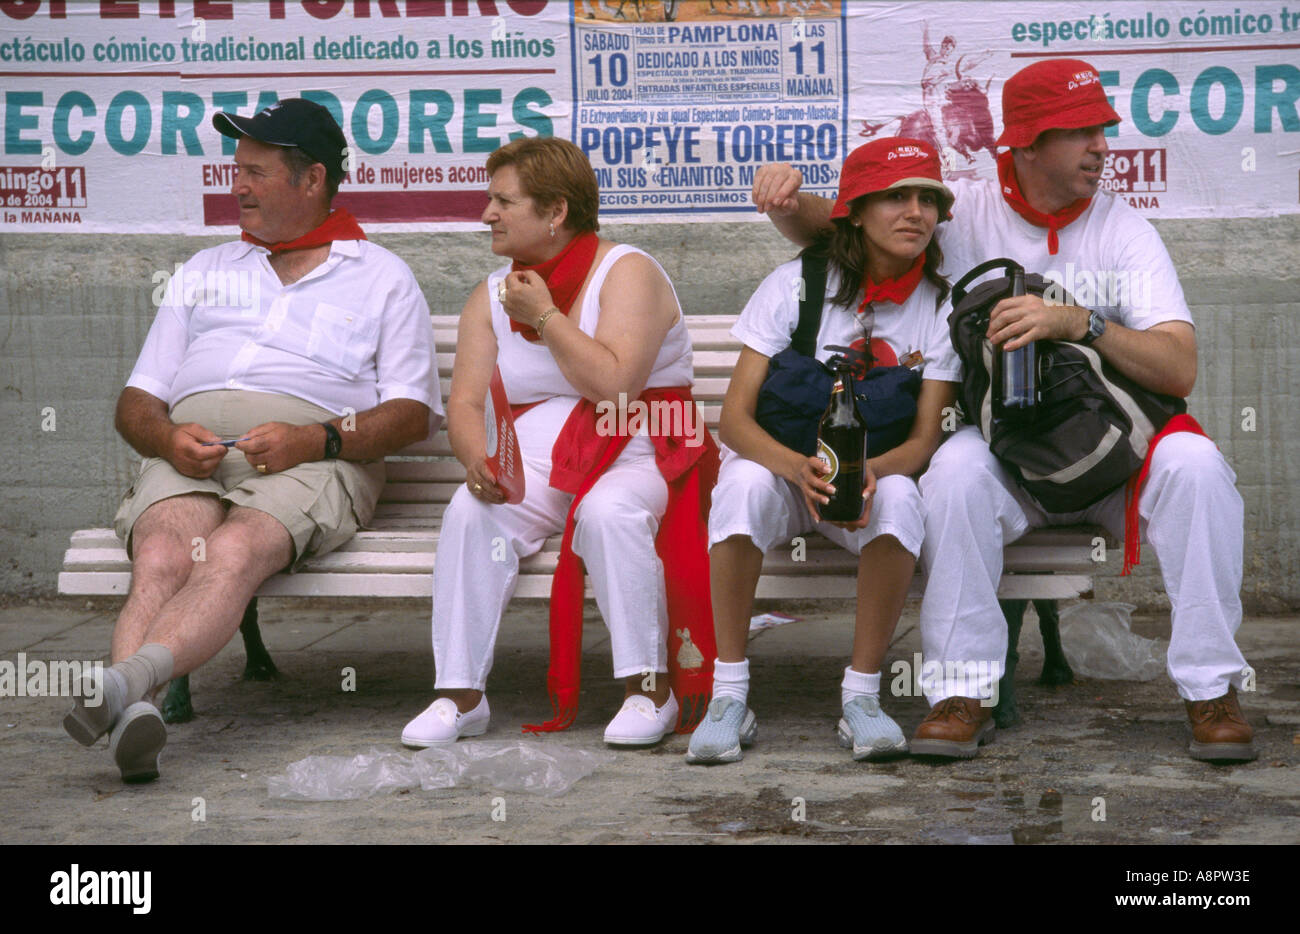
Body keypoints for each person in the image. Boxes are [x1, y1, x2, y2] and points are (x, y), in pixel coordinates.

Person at [751, 58, 1255, 762]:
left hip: (1113, 457)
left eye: (1101, 130)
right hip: (1010, 452)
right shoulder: (965, 214)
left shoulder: (1124, 230)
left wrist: (1081, 323)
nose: (1101, 148)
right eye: (1078, 132)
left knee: (1197, 465)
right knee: (954, 470)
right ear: (1023, 144)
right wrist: (788, 205)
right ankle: (962, 693)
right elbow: (851, 234)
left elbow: (1180, 368)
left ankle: (1211, 691)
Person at [63, 99, 442, 782]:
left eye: (257, 173)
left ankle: (123, 685)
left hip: (317, 458)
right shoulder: (206, 268)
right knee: (161, 550)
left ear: (313, 180)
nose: (236, 186)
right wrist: (168, 437)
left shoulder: (381, 276)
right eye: (236, 170)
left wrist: (315, 438)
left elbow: (413, 415)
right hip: (196, 450)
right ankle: (134, 717)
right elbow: (135, 402)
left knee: (234, 549)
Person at [401, 137, 717, 749]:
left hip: (645, 441)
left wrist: (546, 317)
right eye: (489, 200)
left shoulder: (627, 271)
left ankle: (651, 691)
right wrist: (476, 460)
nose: (486, 215)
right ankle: (461, 695)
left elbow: (615, 385)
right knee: (472, 510)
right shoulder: (490, 294)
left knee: (607, 513)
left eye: (503, 201)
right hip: (547, 450)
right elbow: (465, 403)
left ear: (555, 212)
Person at [687, 138, 960, 765]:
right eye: (895, 197)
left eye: (927, 199)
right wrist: (797, 470)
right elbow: (734, 420)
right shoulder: (797, 284)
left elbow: (923, 439)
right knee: (742, 487)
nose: (915, 212)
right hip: (784, 470)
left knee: (898, 499)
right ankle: (728, 695)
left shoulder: (941, 307)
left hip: (863, 480)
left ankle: (862, 698)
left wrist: (866, 474)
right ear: (855, 213)